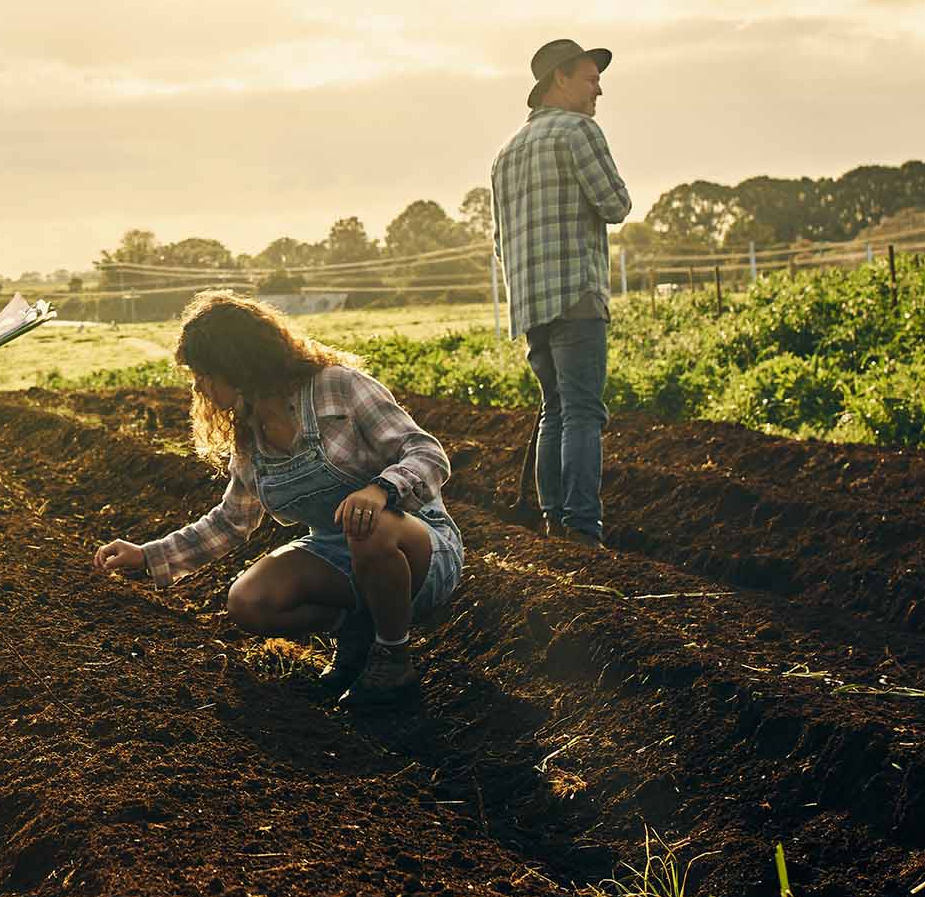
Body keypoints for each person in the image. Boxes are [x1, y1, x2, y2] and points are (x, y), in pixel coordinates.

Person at [91, 291, 464, 708]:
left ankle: (393, 659)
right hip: (338, 553)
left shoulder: (337, 388)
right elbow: (230, 521)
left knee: (369, 525)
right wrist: (147, 556)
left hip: (418, 548)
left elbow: (427, 453)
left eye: (203, 372)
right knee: (249, 601)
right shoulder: (250, 435)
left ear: (236, 363)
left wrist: (380, 490)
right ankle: (358, 631)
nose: (198, 385)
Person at [491, 37, 632, 545]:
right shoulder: (580, 132)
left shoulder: (505, 153)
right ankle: (582, 528)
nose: (599, 90)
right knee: (583, 412)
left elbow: (500, 241)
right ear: (560, 79)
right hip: (576, 294)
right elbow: (615, 204)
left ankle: (555, 523)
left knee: (555, 409)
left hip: (530, 303)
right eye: (592, 78)